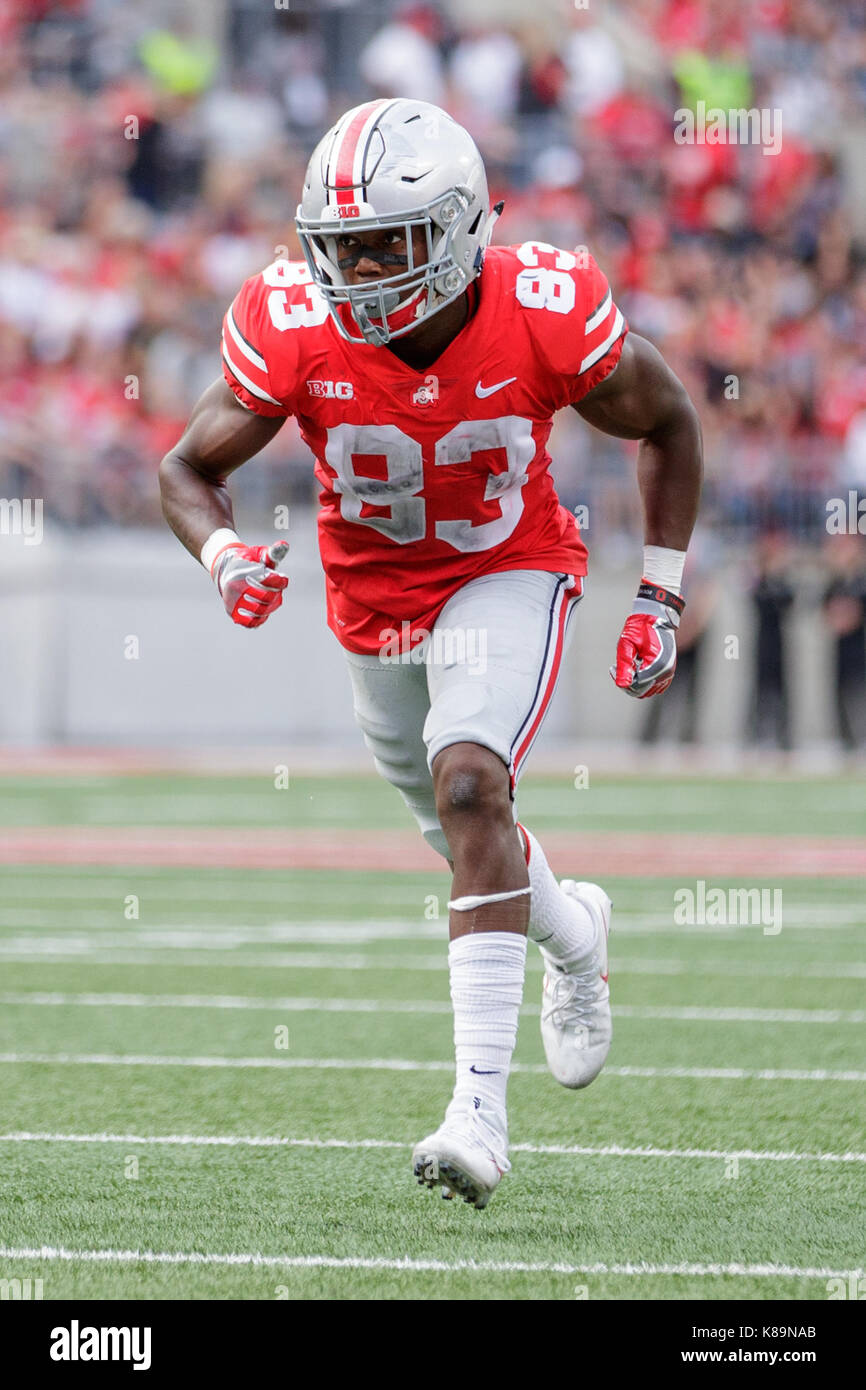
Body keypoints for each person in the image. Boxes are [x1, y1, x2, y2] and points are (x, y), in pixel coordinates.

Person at [159, 99, 702, 1209]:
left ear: (457, 230)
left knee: (469, 781)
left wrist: (659, 588)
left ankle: (477, 1116)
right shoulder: (293, 316)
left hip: (507, 568)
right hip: (372, 608)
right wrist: (221, 553)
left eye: (383, 244)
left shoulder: (544, 309)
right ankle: (574, 933)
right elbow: (183, 465)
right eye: (338, 242)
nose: (353, 267)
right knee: (460, 830)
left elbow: (670, 419)